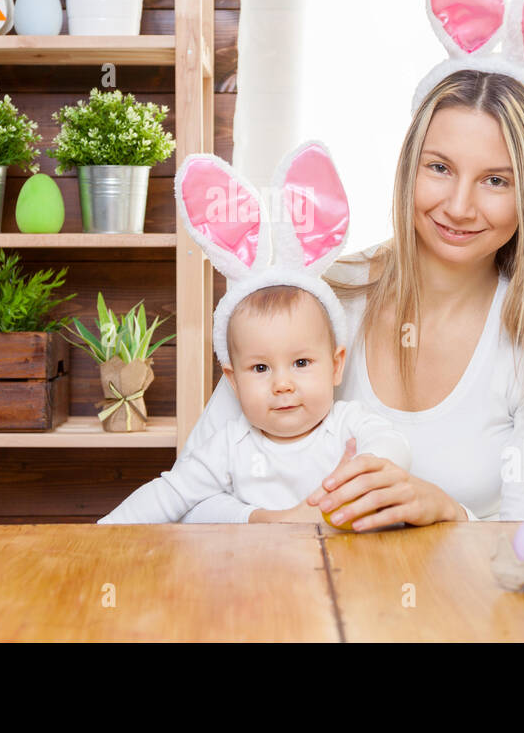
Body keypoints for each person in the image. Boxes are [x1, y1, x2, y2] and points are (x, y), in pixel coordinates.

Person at [179, 0, 524, 528]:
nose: (458, 206)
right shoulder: (326, 298)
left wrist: (447, 514)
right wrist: (268, 524)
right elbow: (187, 497)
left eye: (497, 181)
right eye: (439, 168)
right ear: (409, 167)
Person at [99, 142, 410, 524]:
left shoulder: (347, 427)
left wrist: (364, 469)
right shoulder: (230, 446)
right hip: (253, 578)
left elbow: (394, 445)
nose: (282, 384)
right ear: (232, 379)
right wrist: (100, 536)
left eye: (300, 362)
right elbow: (170, 494)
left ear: (335, 366)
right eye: (260, 369)